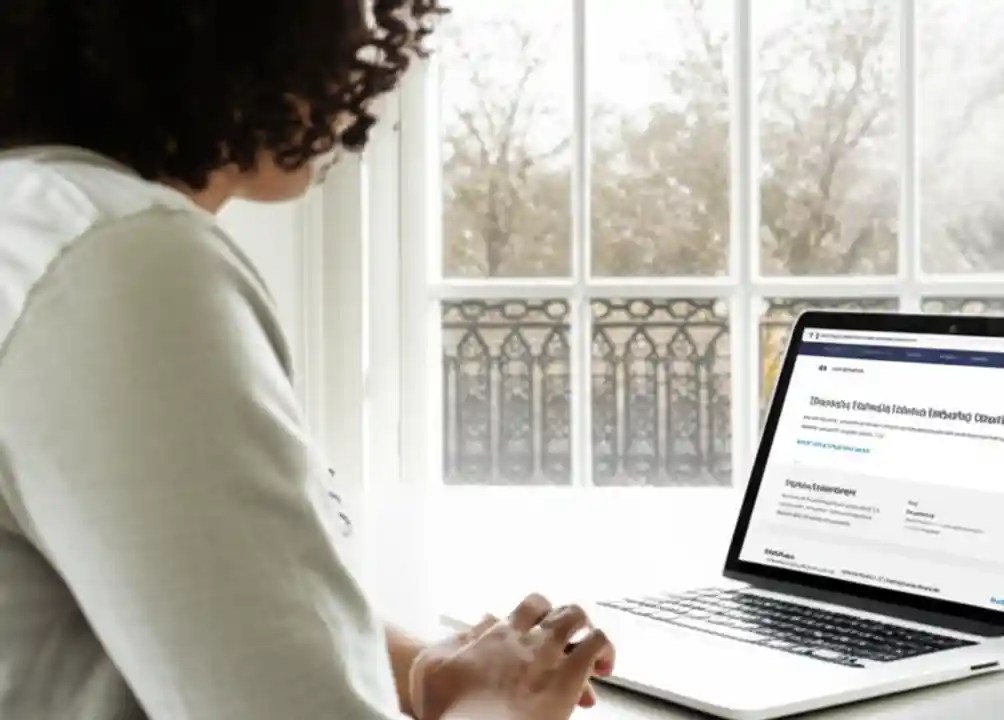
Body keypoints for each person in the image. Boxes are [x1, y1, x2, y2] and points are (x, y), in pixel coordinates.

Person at [0, 2, 614, 719]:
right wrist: (502, 714)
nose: (364, 41)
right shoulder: (117, 259)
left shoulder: (38, 223)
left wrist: (421, 673)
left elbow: (173, 595)